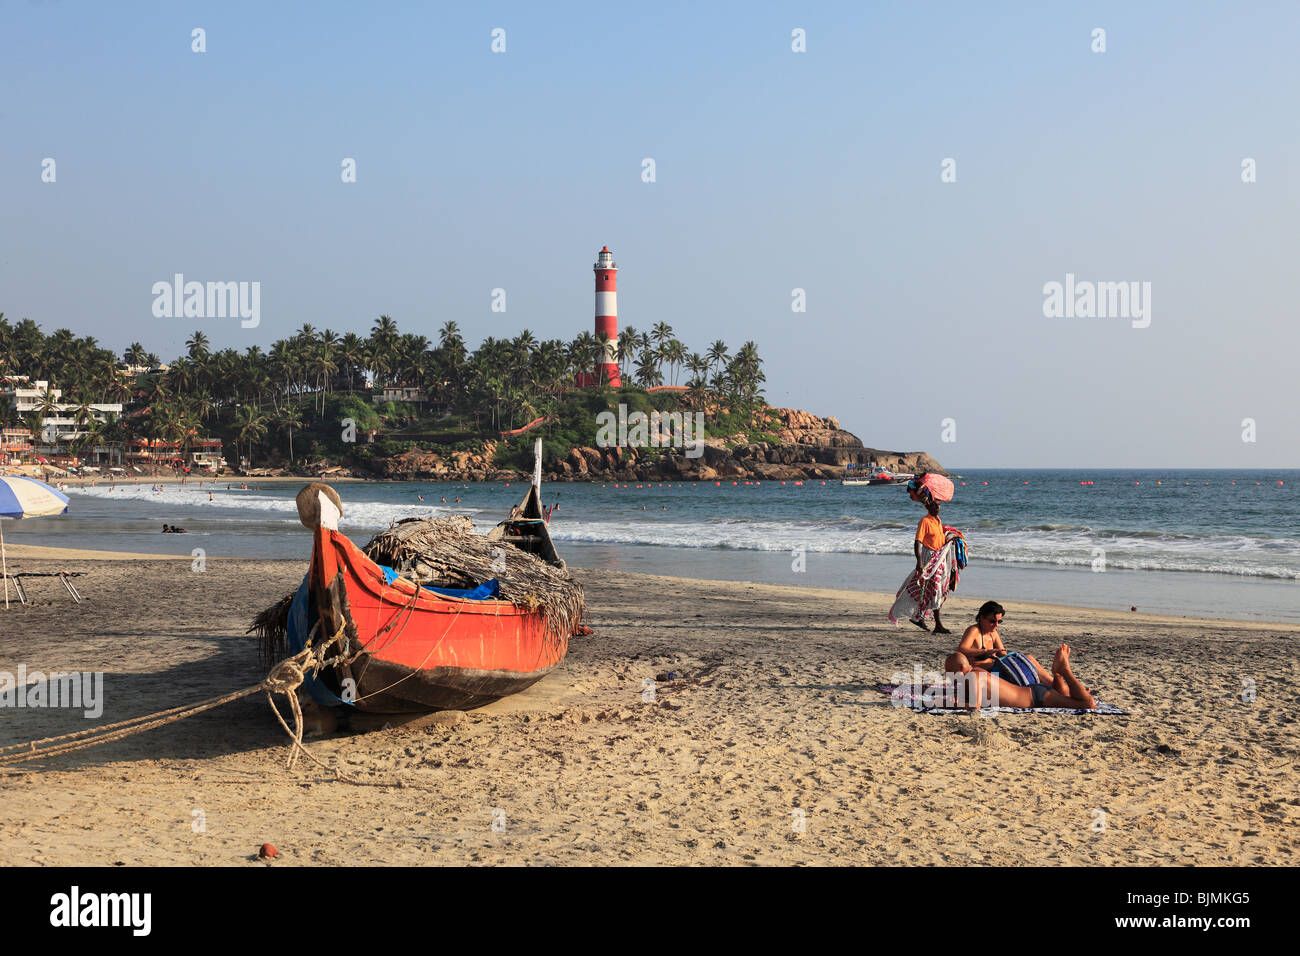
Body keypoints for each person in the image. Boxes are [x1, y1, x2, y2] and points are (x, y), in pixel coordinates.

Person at [888, 474, 956, 633]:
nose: (938, 507)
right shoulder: (925, 522)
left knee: (931, 590)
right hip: (928, 558)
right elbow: (917, 542)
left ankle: (918, 618)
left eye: (939, 505)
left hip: (938, 558)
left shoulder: (938, 521)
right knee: (934, 589)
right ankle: (937, 624)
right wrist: (919, 562)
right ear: (929, 507)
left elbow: (940, 539)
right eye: (936, 505)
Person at [942, 644, 1095, 710]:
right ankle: (1058, 675)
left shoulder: (974, 677)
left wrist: (951, 702)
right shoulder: (976, 671)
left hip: (1036, 698)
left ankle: (1064, 671)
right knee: (1068, 695)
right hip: (1033, 691)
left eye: (950, 673)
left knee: (1088, 705)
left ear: (962, 669)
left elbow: (974, 707)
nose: (949, 678)